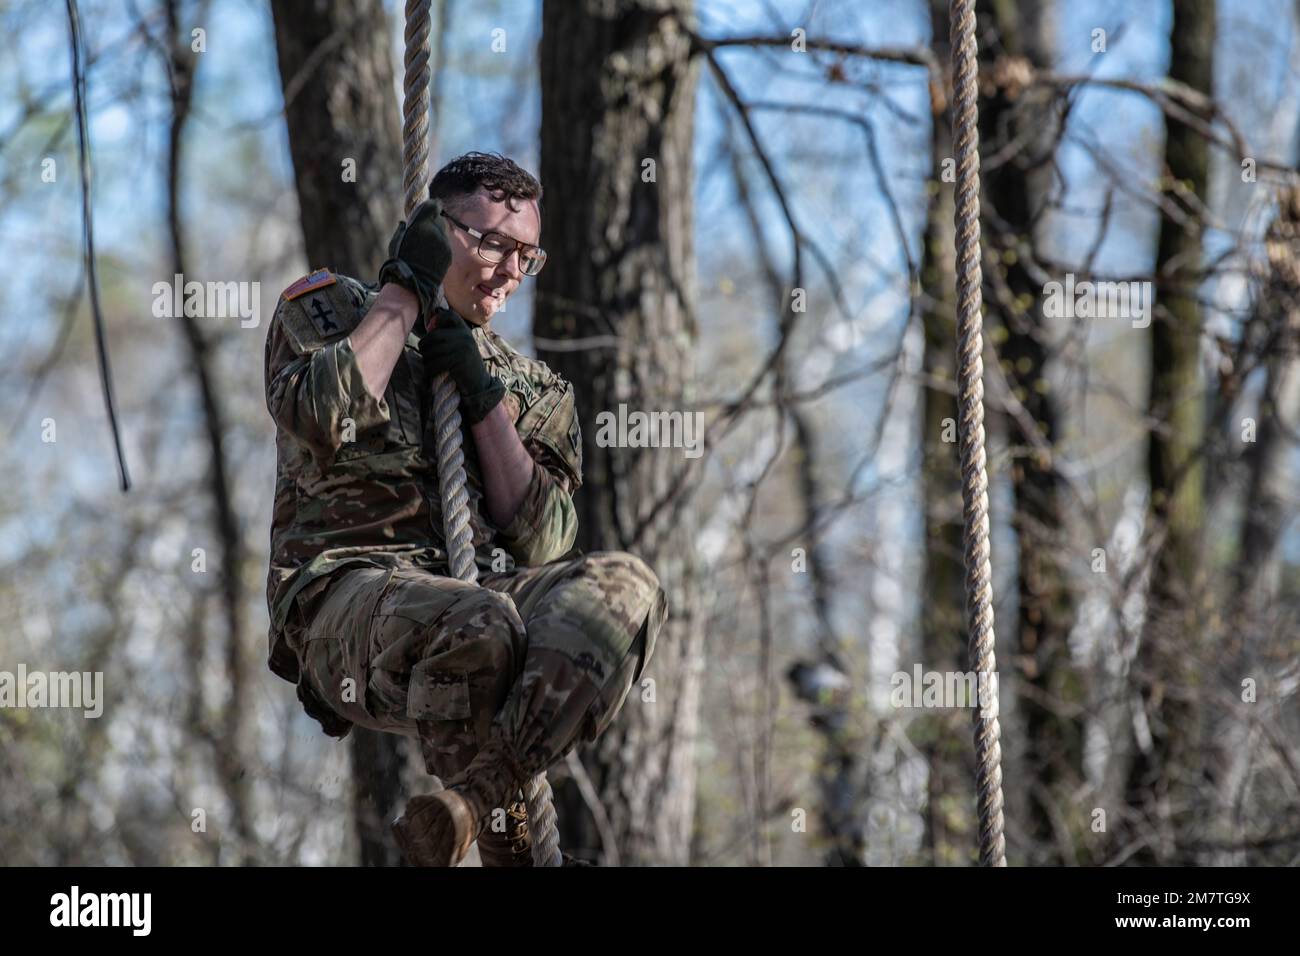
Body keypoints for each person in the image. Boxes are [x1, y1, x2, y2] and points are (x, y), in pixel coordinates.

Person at [263, 151, 667, 866]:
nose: (512, 270)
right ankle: (496, 831)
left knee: (626, 588)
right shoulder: (330, 310)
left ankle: (471, 806)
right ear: (435, 229)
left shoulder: (533, 388)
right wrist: (403, 297)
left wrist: (483, 400)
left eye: (527, 255)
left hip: (479, 605)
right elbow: (322, 411)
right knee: (479, 621)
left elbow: (544, 539)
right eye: (492, 243)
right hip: (342, 600)